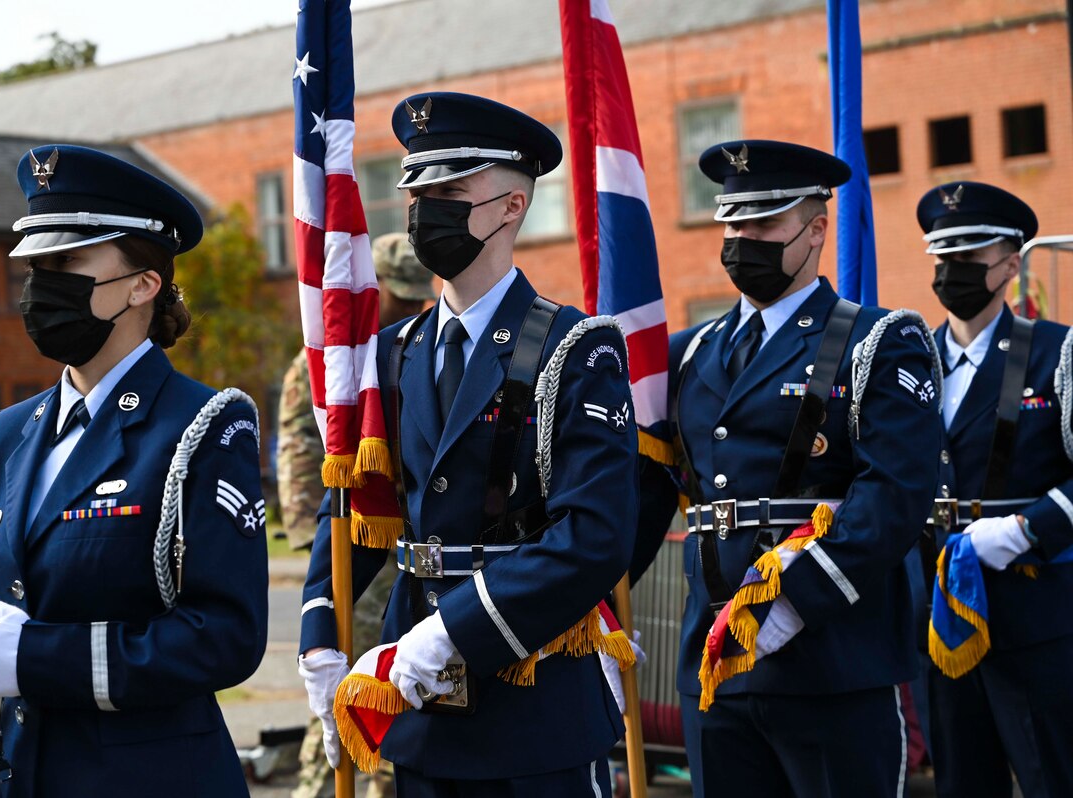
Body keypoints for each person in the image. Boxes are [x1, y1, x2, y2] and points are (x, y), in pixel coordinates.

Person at [297, 92, 638, 796]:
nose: (427, 209)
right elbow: (357, 513)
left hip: (531, 696)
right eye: (417, 191)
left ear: (512, 206)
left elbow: (592, 537)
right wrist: (320, 636)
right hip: (422, 709)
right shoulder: (392, 354)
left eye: (452, 188)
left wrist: (451, 633)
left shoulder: (577, 349)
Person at [0, 145, 269, 797]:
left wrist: (36, 658)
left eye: (68, 262)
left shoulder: (202, 426)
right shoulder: (5, 435)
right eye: (36, 265)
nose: (43, 284)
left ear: (143, 284)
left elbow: (225, 637)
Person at [634, 140, 942, 797]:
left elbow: (896, 495)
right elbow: (653, 494)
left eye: (765, 223)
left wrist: (795, 603)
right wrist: (594, 604)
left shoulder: (879, 341)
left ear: (816, 230)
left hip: (831, 658)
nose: (744, 239)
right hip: (717, 665)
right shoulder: (689, 354)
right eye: (734, 224)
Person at [917, 181, 1073, 797]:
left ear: (1010, 263)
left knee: (1052, 776)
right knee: (961, 782)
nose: (952, 271)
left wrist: (1029, 527)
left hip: (1035, 613)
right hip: (940, 615)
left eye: (969, 257)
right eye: (942, 257)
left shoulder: (1057, 353)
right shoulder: (913, 360)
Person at [285, 232, 435, 798]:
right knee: (344, 660)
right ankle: (318, 784)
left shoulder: (401, 348)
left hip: (399, 530)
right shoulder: (334, 355)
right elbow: (302, 441)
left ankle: (379, 780)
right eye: (398, 295)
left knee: (389, 662)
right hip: (348, 523)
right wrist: (313, 531)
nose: (407, 305)